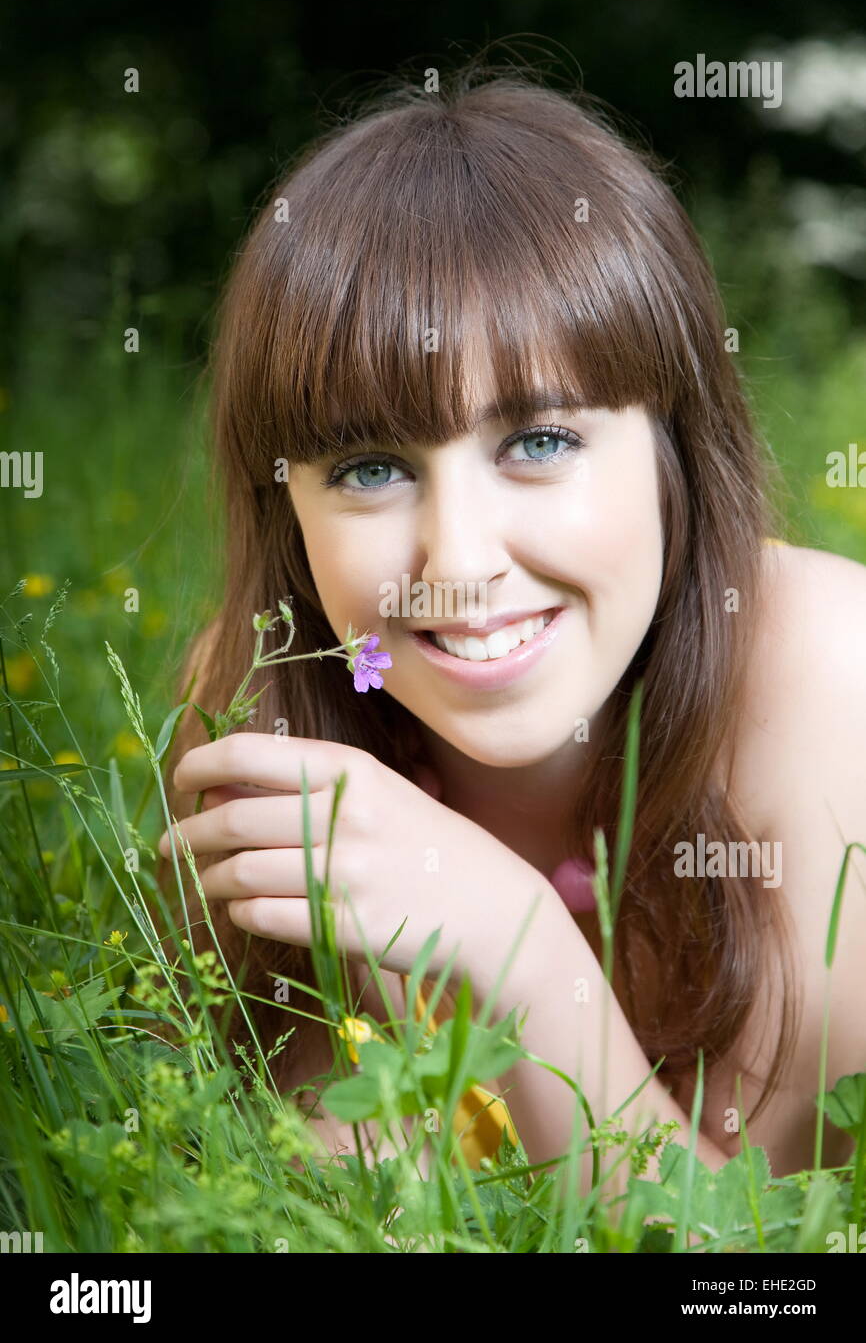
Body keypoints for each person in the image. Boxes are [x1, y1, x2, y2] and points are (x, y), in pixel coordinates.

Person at [157, 63, 866, 1199]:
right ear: (282, 505)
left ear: (671, 451)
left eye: (536, 440)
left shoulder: (831, 678)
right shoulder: (259, 704)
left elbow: (750, 1256)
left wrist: (518, 946)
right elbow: (318, 1168)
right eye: (371, 467)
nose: (460, 561)